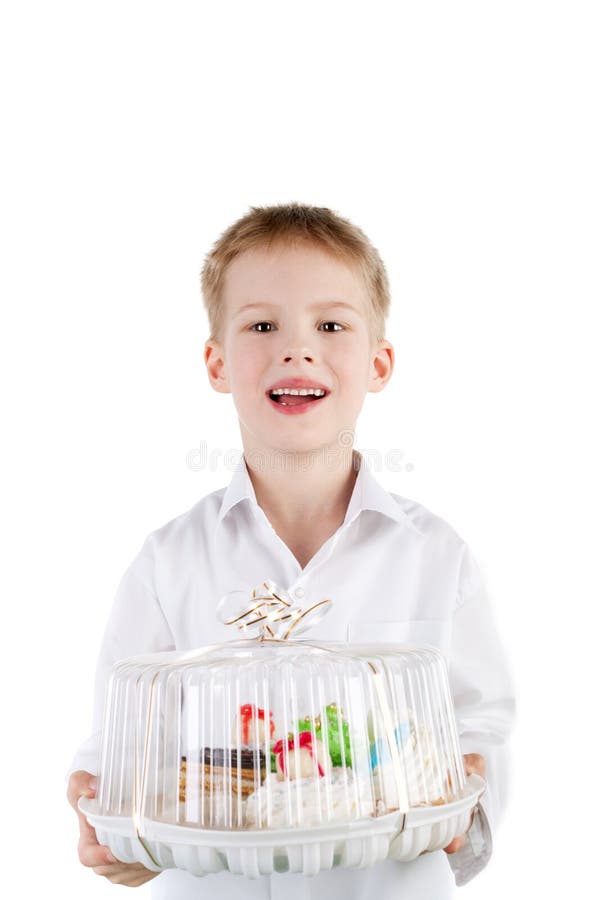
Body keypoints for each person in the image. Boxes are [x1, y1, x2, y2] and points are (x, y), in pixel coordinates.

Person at [66, 203, 515, 898]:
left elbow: (482, 727)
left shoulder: (435, 556)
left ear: (379, 362)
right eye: (261, 325)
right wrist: (118, 836)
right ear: (217, 362)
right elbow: (123, 758)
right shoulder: (168, 563)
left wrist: (466, 806)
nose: (296, 348)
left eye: (331, 325)